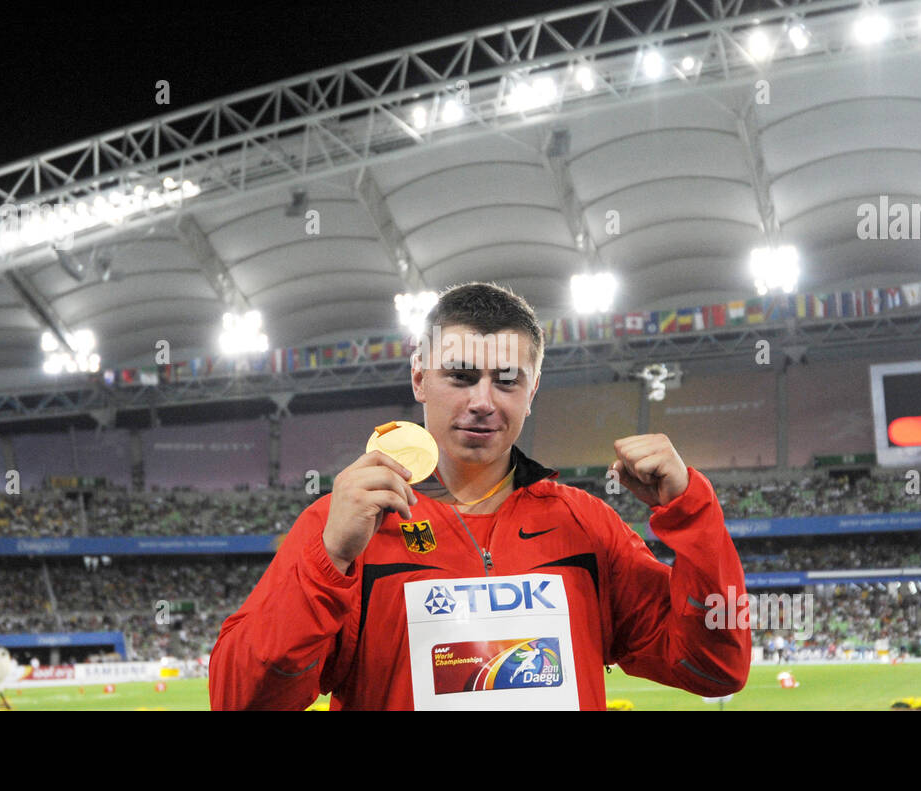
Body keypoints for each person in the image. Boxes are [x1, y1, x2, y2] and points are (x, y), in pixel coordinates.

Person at [209, 282, 750, 710]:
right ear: (419, 377)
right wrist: (329, 561)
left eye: (507, 381)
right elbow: (240, 700)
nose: (483, 401)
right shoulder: (344, 523)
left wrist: (692, 512)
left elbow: (713, 667)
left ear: (533, 391)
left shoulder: (586, 526)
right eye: (461, 376)